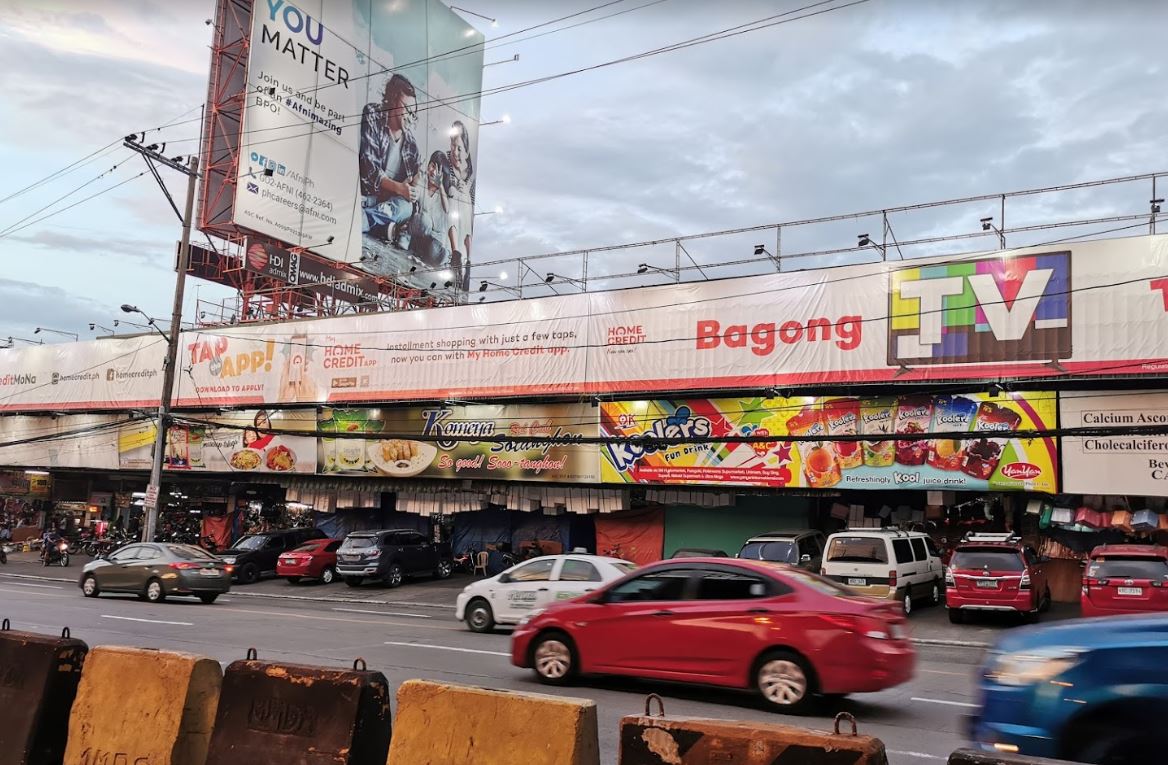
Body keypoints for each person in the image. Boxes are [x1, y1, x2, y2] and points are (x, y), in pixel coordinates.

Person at [359, 73, 421, 245]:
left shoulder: (412, 145)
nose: (410, 115)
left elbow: (414, 182)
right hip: (365, 194)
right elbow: (369, 169)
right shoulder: (373, 114)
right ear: (393, 101)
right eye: (407, 109)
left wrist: (413, 190)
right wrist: (399, 188)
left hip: (388, 205)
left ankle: (364, 220)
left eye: (413, 112)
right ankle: (378, 226)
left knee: (406, 207)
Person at [404, 151, 459, 268]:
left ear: (442, 175)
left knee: (433, 256)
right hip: (421, 228)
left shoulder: (445, 192)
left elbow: (447, 209)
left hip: (436, 237)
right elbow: (412, 193)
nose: (433, 171)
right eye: (432, 166)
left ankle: (446, 255)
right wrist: (417, 175)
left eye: (438, 170)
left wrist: (441, 187)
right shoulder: (423, 181)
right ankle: (405, 236)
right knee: (424, 219)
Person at [447, 120, 475, 287]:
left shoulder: (471, 173)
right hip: (449, 205)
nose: (455, 152)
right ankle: (456, 255)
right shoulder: (445, 160)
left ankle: (466, 262)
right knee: (453, 194)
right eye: (453, 145)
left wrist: (463, 191)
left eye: (460, 149)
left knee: (464, 201)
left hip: (464, 209)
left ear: (467, 150)